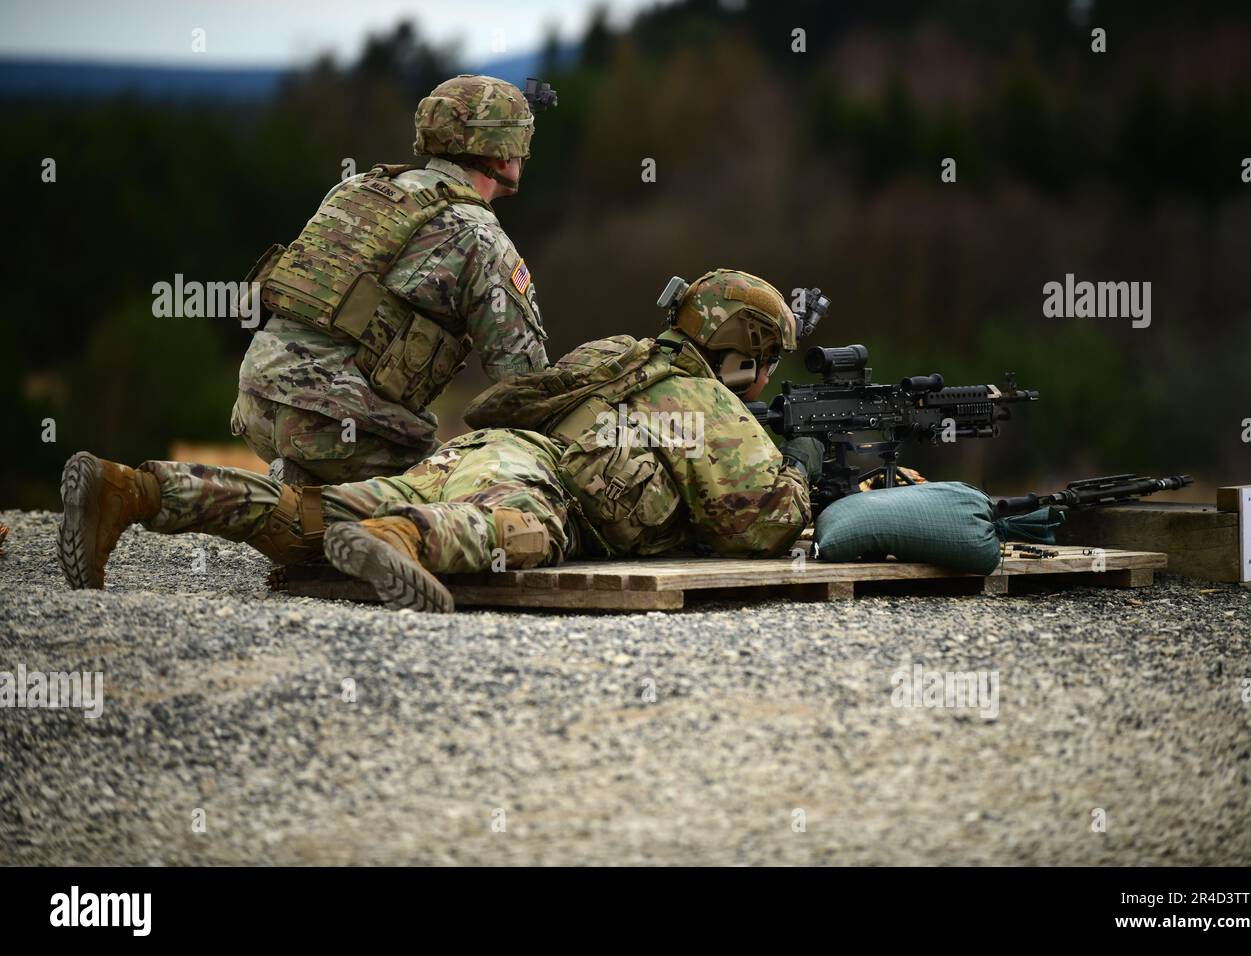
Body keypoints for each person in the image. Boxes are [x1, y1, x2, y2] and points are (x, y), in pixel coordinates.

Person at [58, 270, 825, 613]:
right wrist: (811, 471)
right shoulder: (703, 399)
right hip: (531, 486)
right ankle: (397, 540)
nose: (760, 381)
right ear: (743, 351)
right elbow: (757, 524)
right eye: (762, 363)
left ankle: (138, 488)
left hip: (474, 455)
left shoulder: (614, 355)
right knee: (511, 531)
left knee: (307, 516)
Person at [233, 74, 552, 486]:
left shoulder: (356, 188)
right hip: (342, 429)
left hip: (255, 405)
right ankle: (320, 492)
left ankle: (311, 489)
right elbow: (524, 387)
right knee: (467, 492)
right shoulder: (482, 237)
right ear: (501, 154)